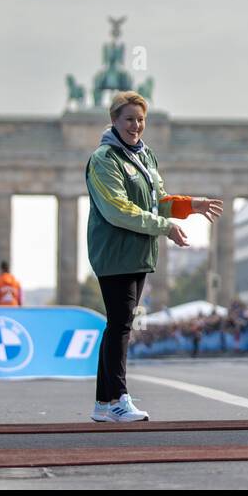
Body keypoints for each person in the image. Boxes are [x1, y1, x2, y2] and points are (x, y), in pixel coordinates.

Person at [86, 91, 223, 422]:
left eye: (141, 120)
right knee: (120, 325)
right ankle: (119, 397)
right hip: (115, 252)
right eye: (129, 119)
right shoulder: (105, 159)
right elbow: (119, 209)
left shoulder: (145, 157)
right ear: (115, 121)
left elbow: (158, 200)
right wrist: (166, 227)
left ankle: (104, 404)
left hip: (139, 252)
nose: (136, 126)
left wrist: (191, 205)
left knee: (118, 324)